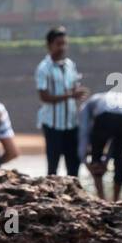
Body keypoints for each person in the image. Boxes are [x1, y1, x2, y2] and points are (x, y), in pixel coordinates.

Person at [34, 26, 88, 177]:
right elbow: (44, 96)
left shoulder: (70, 65)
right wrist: (70, 95)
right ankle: (51, 198)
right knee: (53, 167)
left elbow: (73, 87)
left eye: (64, 43)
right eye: (59, 43)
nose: (62, 47)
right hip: (52, 124)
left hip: (71, 123)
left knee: (74, 164)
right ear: (49, 45)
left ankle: (73, 198)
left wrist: (76, 93)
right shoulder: (44, 68)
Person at [79, 90, 122, 201]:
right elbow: (115, 144)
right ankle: (116, 201)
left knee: (96, 157)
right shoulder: (119, 98)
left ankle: (101, 199)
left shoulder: (88, 105)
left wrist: (84, 160)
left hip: (107, 117)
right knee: (119, 158)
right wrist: (107, 161)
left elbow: (84, 132)